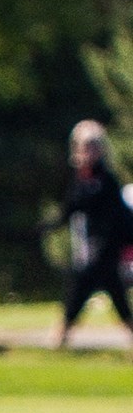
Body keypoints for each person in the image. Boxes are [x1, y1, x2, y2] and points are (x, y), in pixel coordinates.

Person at [55, 119, 133, 349]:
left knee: (81, 289)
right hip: (93, 249)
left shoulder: (105, 180)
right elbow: (70, 209)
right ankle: (61, 336)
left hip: (106, 248)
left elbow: (114, 218)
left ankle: (60, 337)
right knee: (112, 292)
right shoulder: (81, 179)